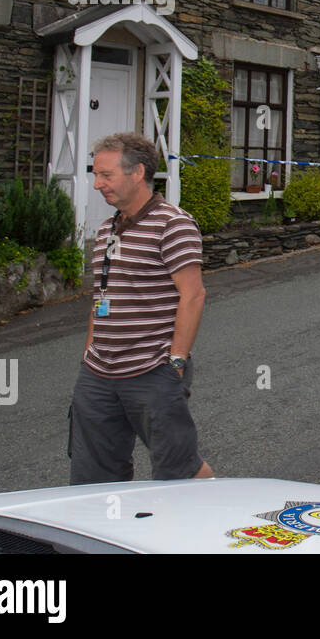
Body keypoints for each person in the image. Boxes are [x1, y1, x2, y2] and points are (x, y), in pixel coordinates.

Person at [68, 132, 215, 484]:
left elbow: (193, 295)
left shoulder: (173, 223)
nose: (97, 184)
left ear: (137, 173)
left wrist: (176, 362)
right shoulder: (107, 229)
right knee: (93, 474)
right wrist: (90, 349)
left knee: (179, 471)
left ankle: (209, 525)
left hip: (152, 369)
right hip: (98, 373)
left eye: (105, 175)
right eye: (95, 174)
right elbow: (101, 297)